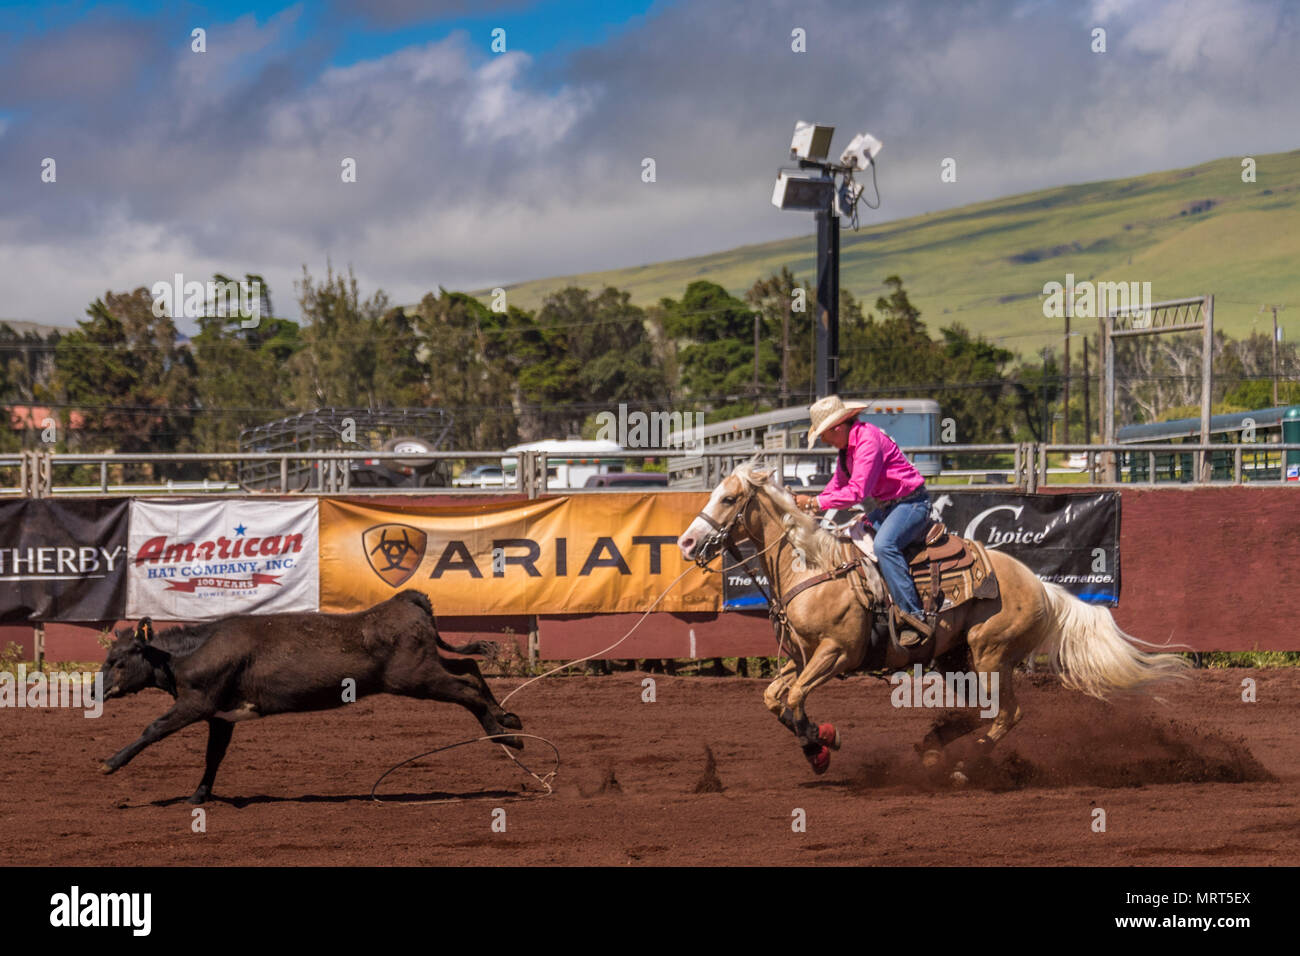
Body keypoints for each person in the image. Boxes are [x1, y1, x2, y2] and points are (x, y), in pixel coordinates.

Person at [793, 395, 936, 647]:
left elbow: (856, 492)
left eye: (824, 434)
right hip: (890, 507)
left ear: (837, 427)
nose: (823, 440)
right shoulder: (847, 449)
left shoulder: (868, 441)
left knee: (884, 545)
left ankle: (913, 616)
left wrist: (813, 503)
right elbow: (837, 486)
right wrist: (810, 503)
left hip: (911, 504)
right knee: (854, 537)